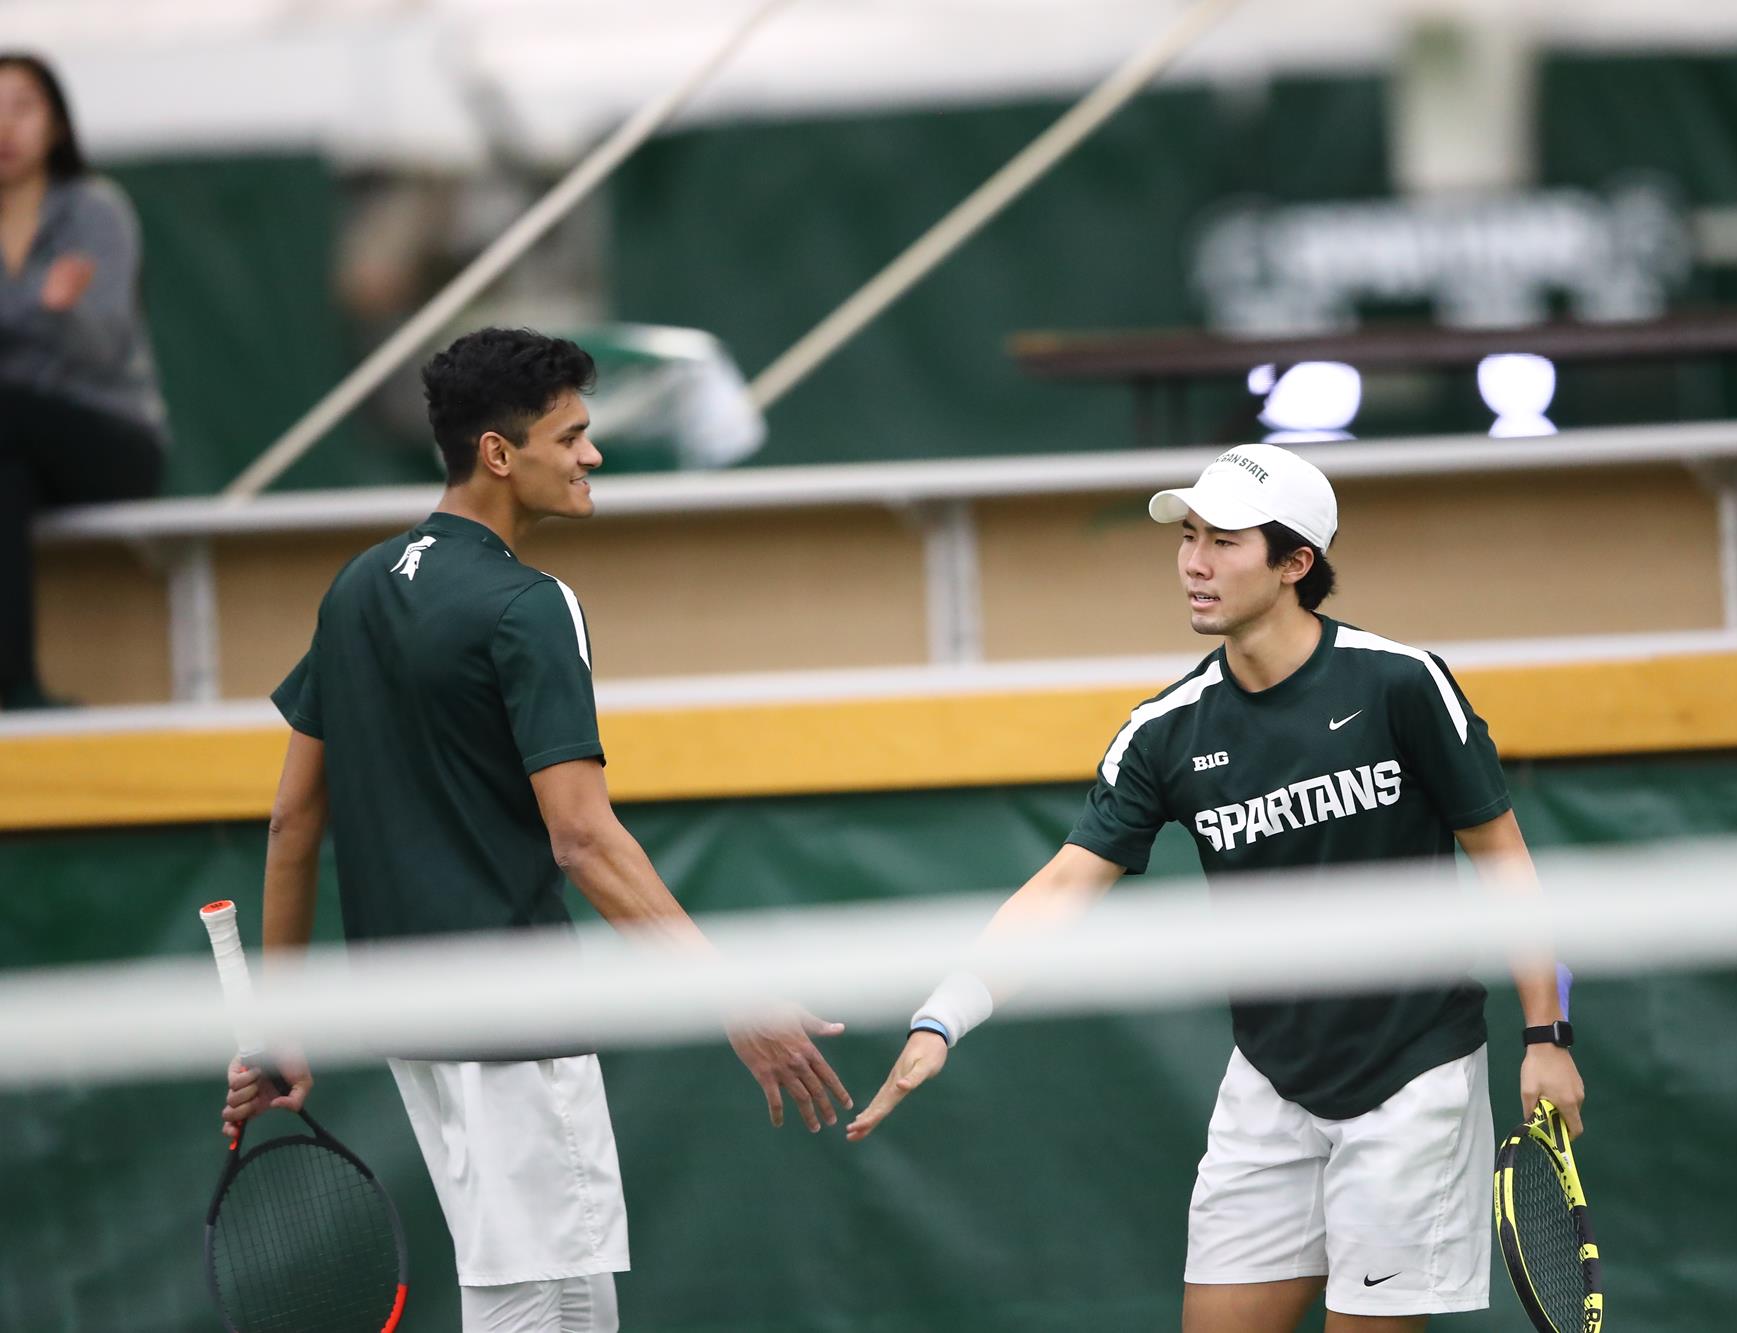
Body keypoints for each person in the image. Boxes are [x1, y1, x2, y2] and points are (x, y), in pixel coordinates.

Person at [847, 443, 1585, 1333]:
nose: (1193, 562)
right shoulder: (1164, 731)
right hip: (1270, 1084)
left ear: (1295, 563)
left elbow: (1505, 861)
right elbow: (1061, 885)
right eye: (1188, 536)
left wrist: (1546, 1035)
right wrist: (945, 1013)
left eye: (1224, 541)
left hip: (1413, 1079)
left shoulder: (1400, 684)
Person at [221, 327, 851, 1333]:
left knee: (569, 1292)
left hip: (409, 1013)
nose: (593, 455)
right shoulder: (530, 606)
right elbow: (583, 839)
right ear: (498, 454)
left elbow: (293, 818)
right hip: (509, 1010)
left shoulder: (356, 589)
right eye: (573, 436)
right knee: (523, 1298)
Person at [0, 52, 168, 710]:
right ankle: (16, 685)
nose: (4, 128)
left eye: (21, 108)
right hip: (16, 445)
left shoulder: (96, 212)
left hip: (111, 438)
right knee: (4, 472)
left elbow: (100, 349)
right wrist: (39, 308)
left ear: (57, 125)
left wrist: (28, 321)